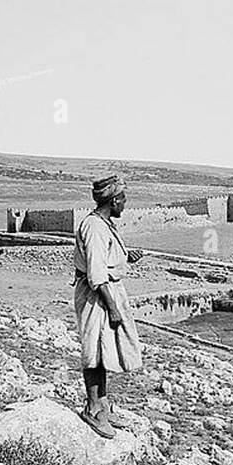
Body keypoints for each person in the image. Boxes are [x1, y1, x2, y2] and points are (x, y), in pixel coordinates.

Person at [73, 174, 145, 438]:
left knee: (104, 351)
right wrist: (112, 306)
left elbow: (106, 258)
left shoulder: (105, 224)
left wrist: (126, 257)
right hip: (98, 294)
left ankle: (103, 405)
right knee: (93, 351)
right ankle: (92, 409)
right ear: (114, 200)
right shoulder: (94, 227)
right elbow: (96, 273)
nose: (125, 204)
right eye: (123, 199)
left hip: (107, 290)